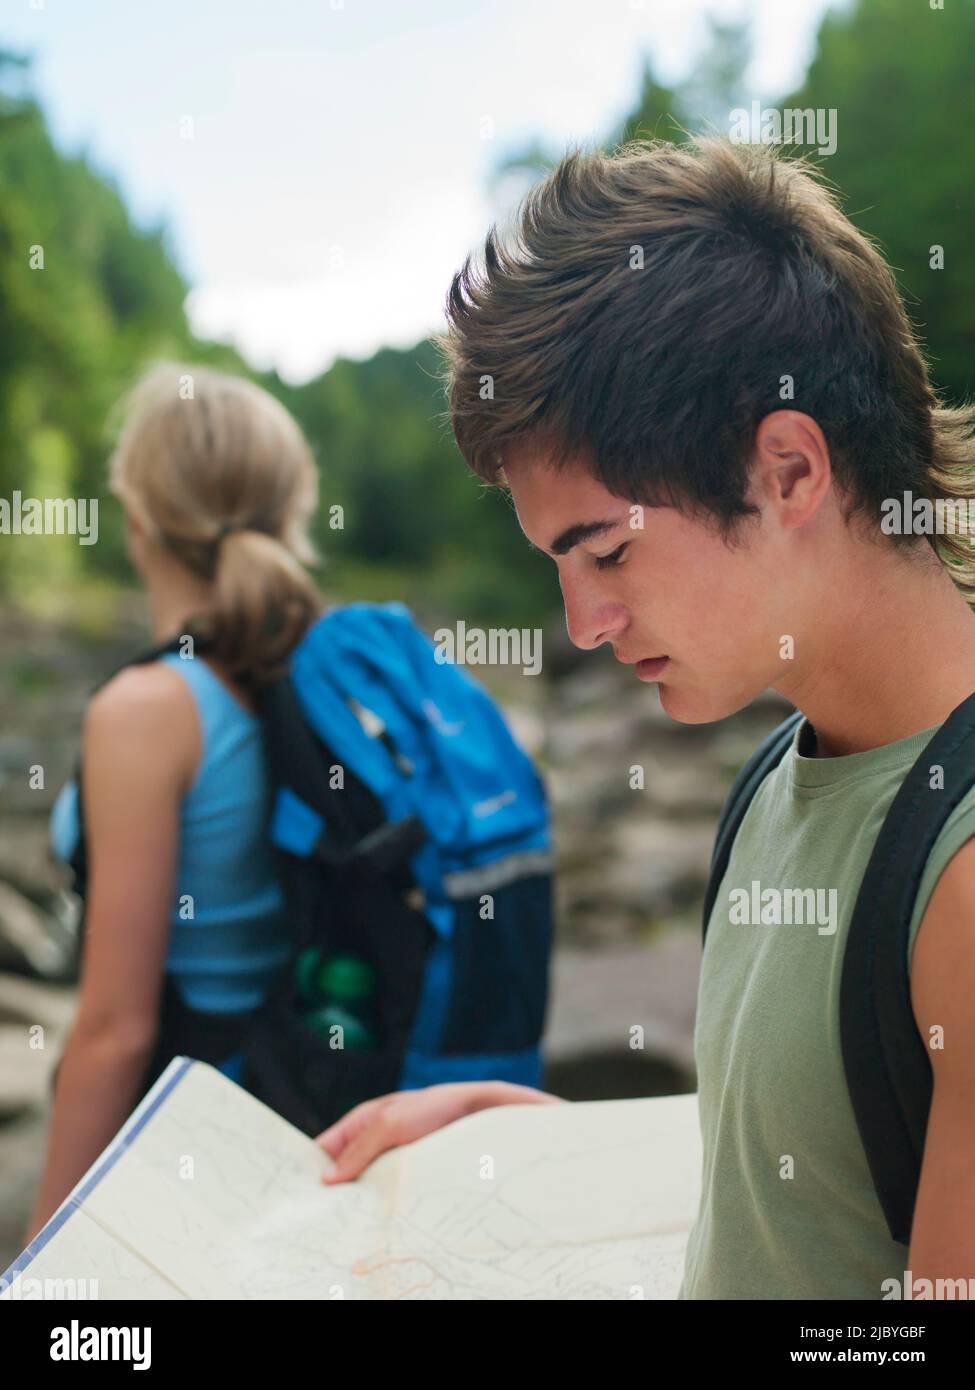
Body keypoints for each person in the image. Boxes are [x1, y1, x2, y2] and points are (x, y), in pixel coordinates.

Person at [316, 135, 975, 1299]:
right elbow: (815, 1185)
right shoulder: (782, 774)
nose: (581, 623)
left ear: (787, 472)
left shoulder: (959, 885)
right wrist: (539, 1143)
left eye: (607, 549)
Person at [25, 363, 323, 1243]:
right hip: (301, 1112)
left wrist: (47, 1261)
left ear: (137, 518)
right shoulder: (313, 678)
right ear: (288, 512)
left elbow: (116, 1030)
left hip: (180, 1138)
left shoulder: (147, 711)